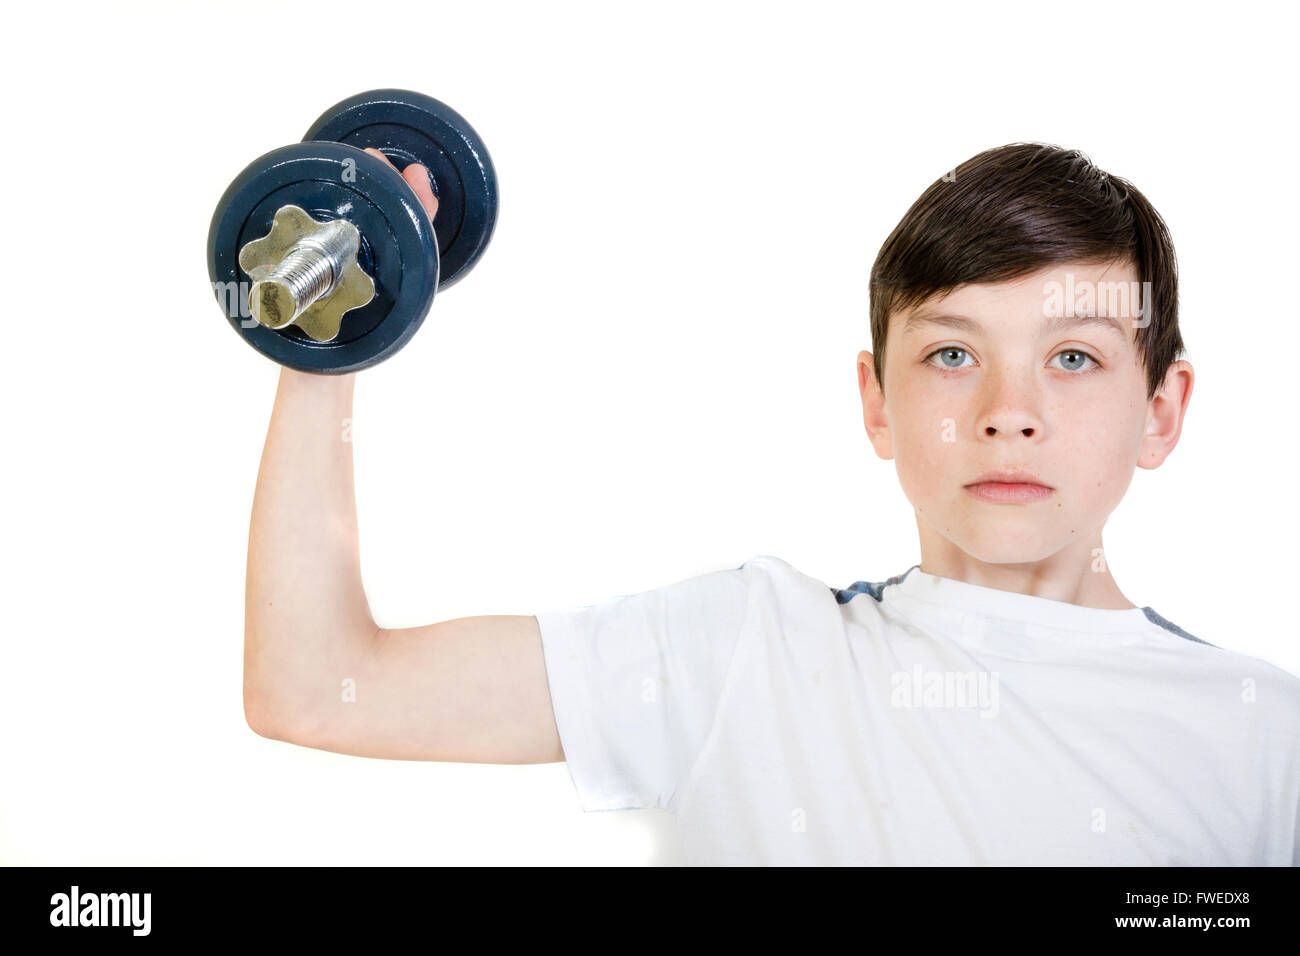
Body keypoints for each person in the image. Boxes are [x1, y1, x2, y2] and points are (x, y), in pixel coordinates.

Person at [241, 142, 1300, 865]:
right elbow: (318, 687)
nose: (1007, 411)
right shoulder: (740, 650)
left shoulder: (1267, 742)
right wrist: (327, 338)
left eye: (1072, 356)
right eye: (949, 354)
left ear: (1161, 410)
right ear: (875, 403)